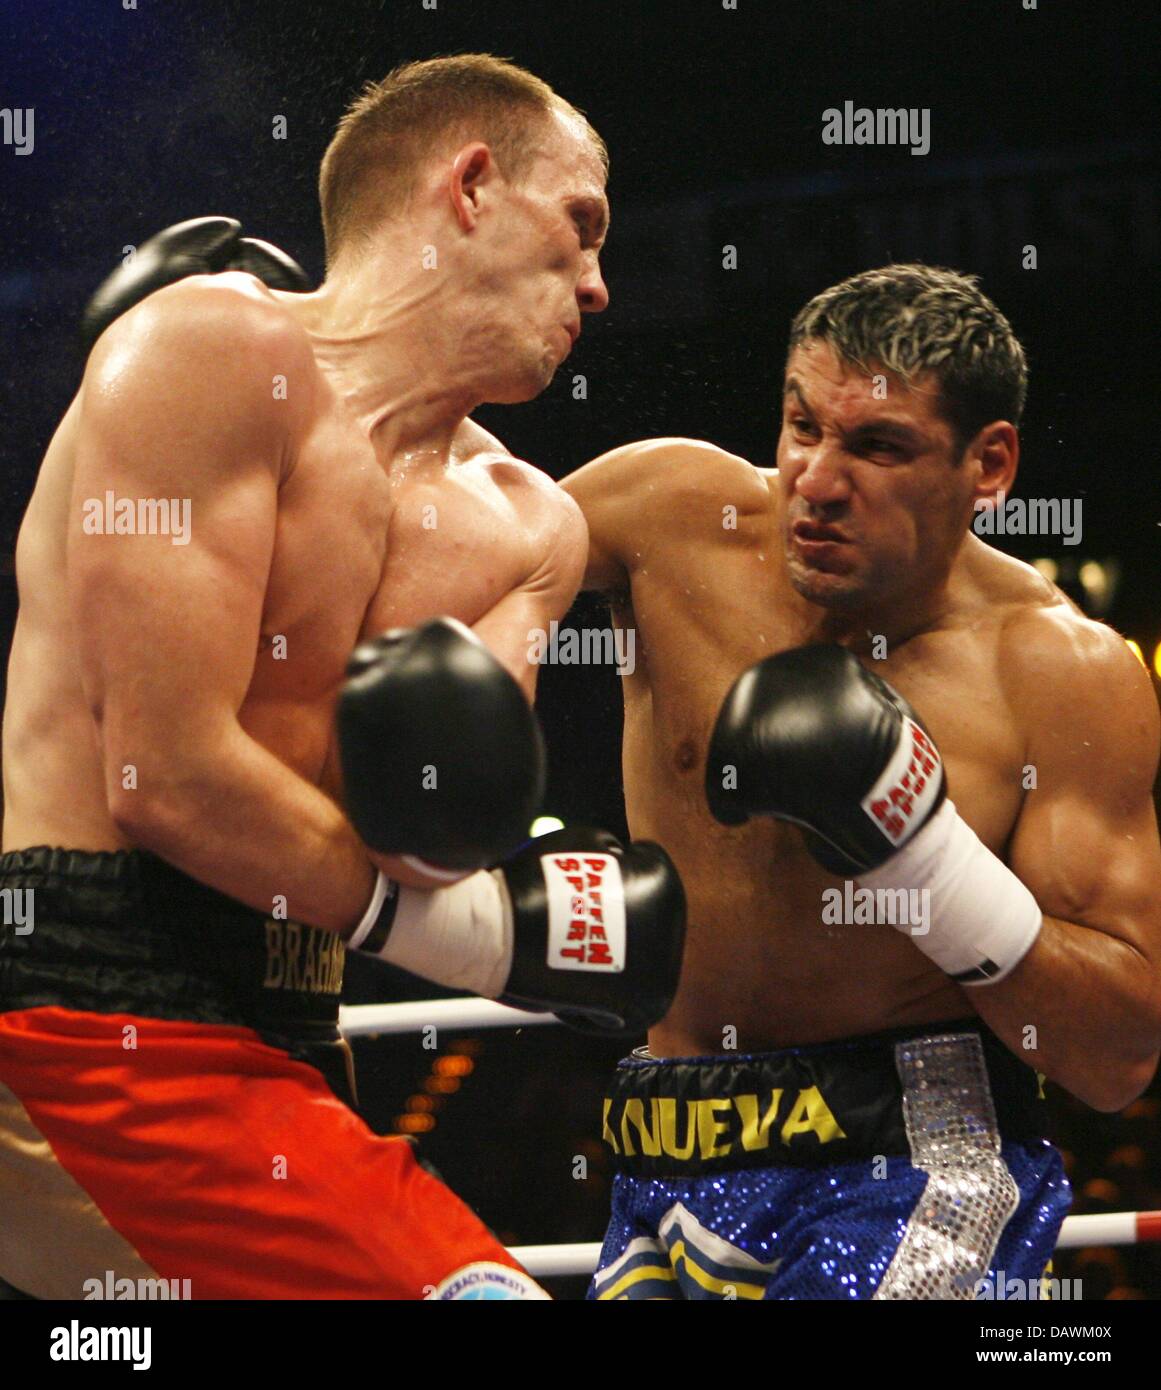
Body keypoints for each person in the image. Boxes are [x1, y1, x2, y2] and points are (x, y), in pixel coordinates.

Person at [0, 54, 686, 1301]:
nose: (598, 281)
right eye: (580, 225)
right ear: (470, 185)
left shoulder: (534, 527)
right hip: (90, 1017)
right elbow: (163, 776)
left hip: (293, 1032)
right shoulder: (209, 349)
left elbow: (430, 843)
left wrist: (486, 882)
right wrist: (491, 944)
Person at [562, 263, 1161, 1300]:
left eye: (880, 447)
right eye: (803, 428)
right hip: (661, 1136)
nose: (818, 481)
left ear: (991, 464)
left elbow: (1115, 1057)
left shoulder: (1061, 672)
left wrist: (924, 853)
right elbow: (449, 554)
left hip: (910, 1155)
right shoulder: (664, 517)